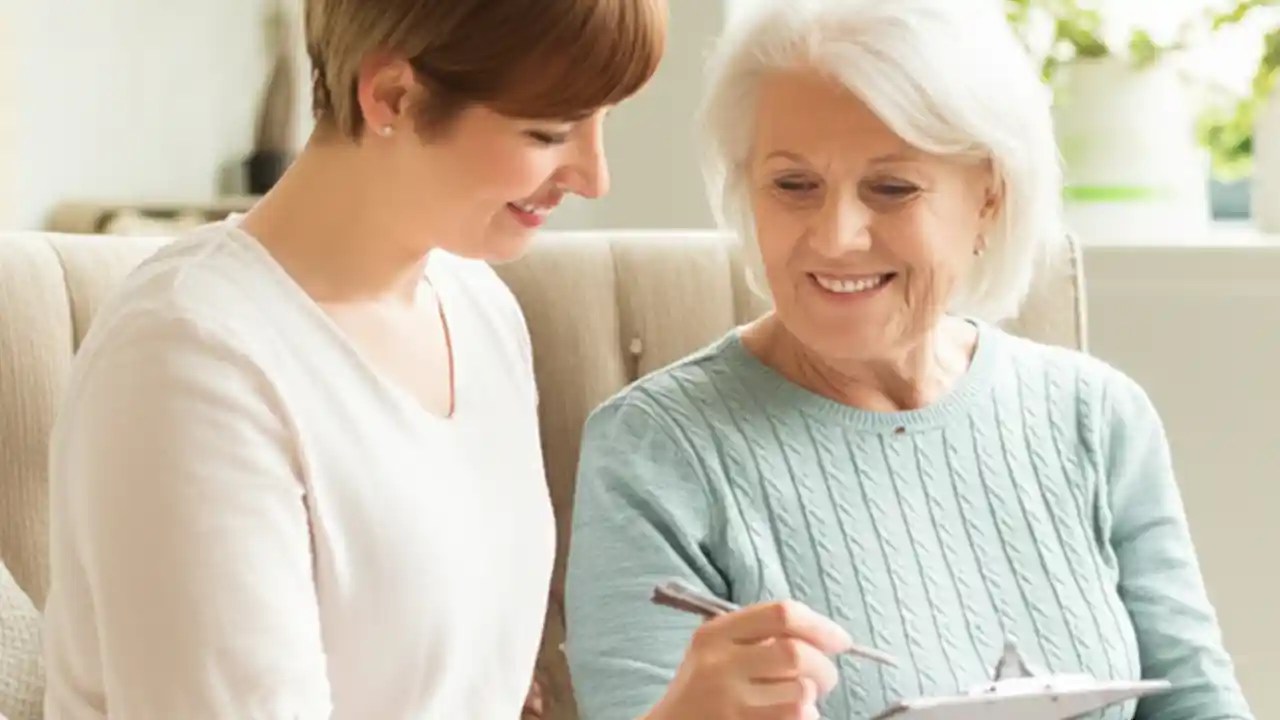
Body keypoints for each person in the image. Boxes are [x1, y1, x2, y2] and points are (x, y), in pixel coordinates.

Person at [562, 1, 1253, 719]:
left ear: (989, 194)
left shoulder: (1096, 415)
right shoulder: (656, 450)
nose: (835, 238)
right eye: (793, 186)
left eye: (891, 188)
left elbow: (1199, 703)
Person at [41, 1, 665, 718]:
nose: (594, 176)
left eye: (604, 119)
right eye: (549, 131)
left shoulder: (477, 308)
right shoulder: (189, 360)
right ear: (392, 96)